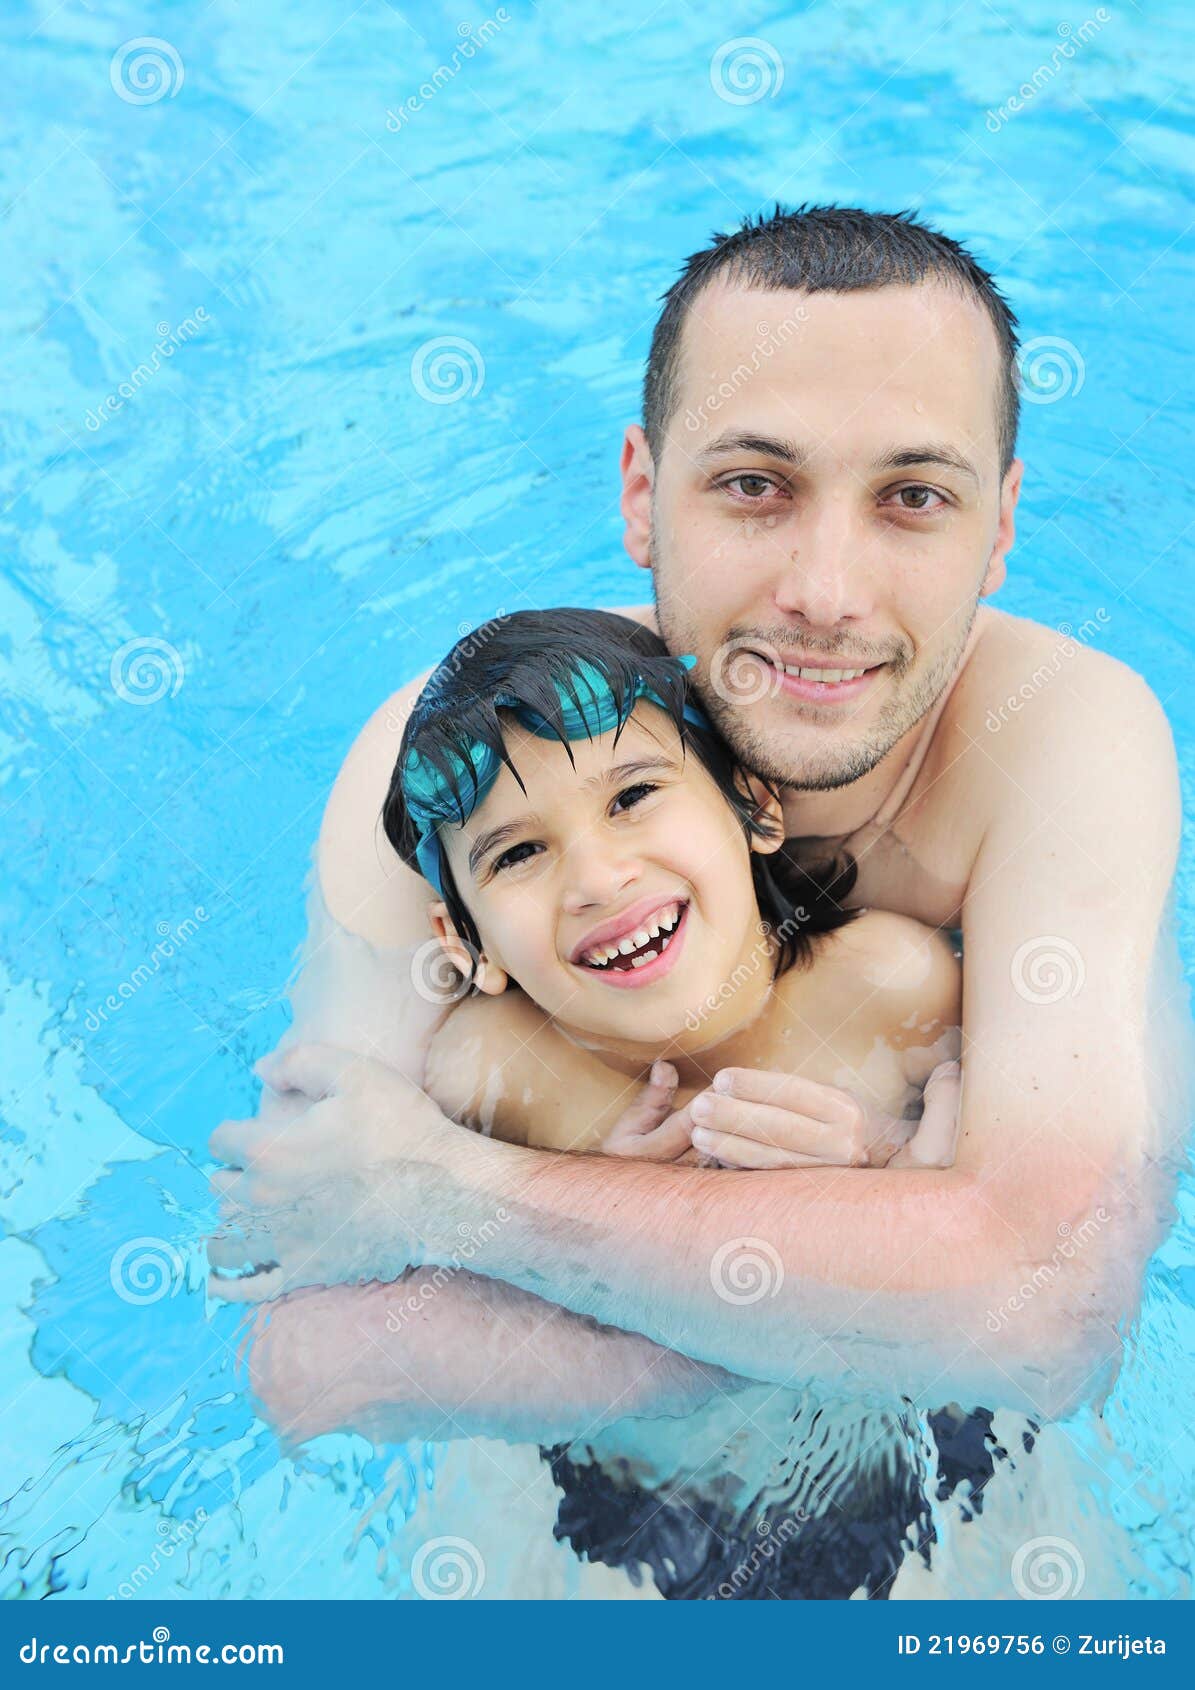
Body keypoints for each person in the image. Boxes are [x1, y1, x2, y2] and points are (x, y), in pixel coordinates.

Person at [210, 205, 1185, 1588]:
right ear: (637, 492)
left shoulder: (1058, 744)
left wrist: (452, 1192)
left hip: (954, 1477)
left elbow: (1045, 1324)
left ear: (1000, 526)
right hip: (567, 1497)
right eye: (752, 486)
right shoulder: (450, 777)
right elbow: (308, 1352)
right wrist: (866, 1279)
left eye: (912, 495)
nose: (823, 594)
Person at [384, 607, 962, 1169]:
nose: (598, 881)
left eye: (631, 798)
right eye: (518, 854)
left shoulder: (893, 985)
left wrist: (888, 1155)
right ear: (467, 943)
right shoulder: (494, 1075)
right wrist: (609, 1196)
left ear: (755, 806)